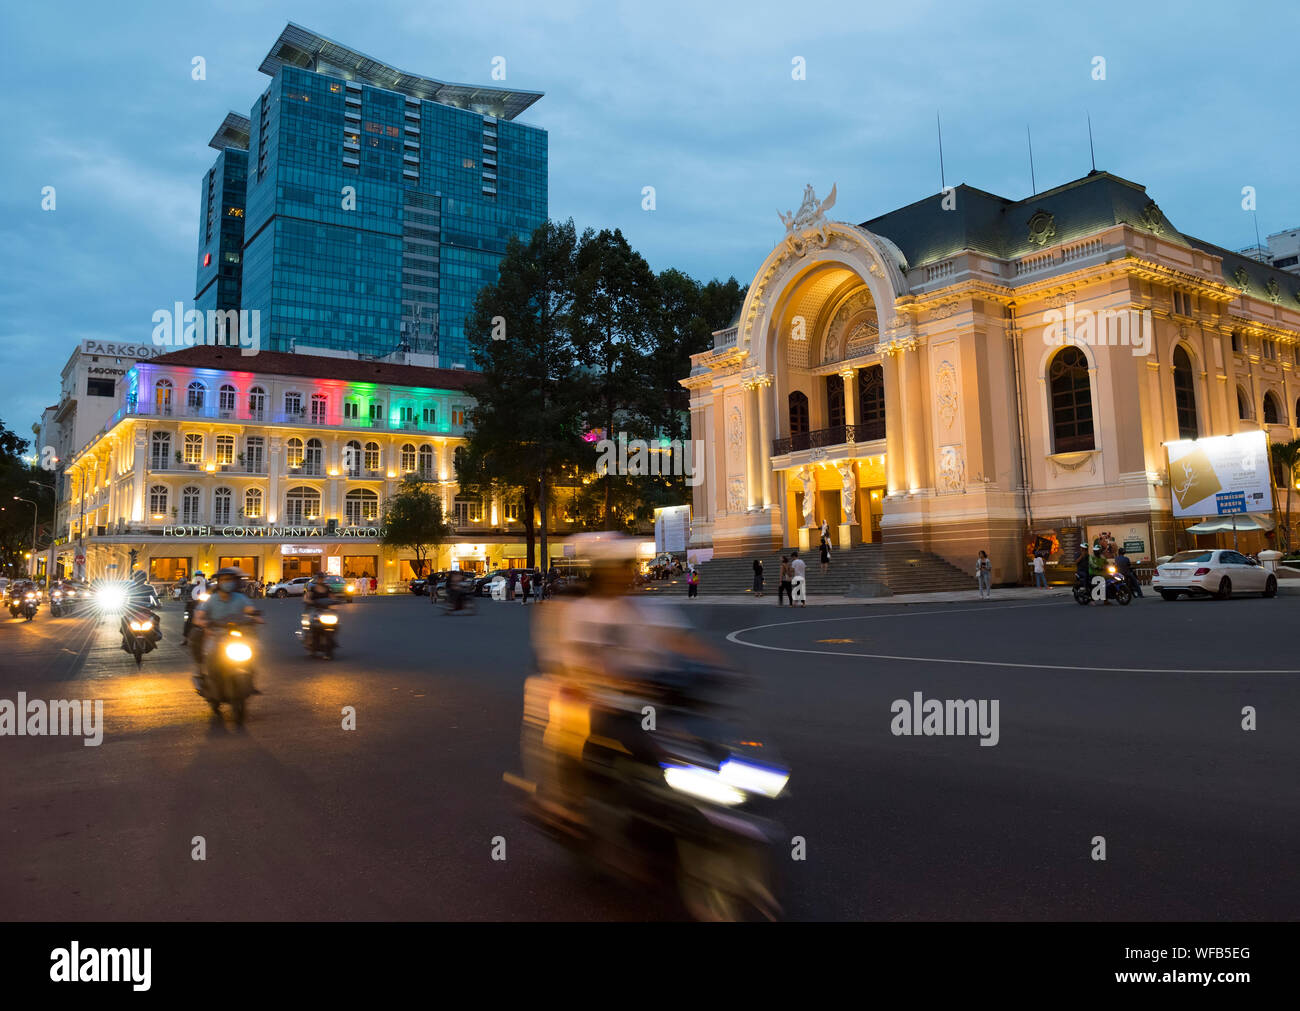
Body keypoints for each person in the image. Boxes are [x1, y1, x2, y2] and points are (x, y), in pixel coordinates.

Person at [191, 568, 262, 694]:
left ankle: (249, 679)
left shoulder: (240, 598)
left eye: (230, 579)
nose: (227, 582)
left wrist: (255, 616)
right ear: (218, 582)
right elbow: (199, 615)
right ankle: (205, 677)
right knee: (209, 654)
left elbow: (249, 609)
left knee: (254, 649)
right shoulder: (211, 599)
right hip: (215, 633)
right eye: (224, 579)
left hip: (238, 632)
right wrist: (202, 622)